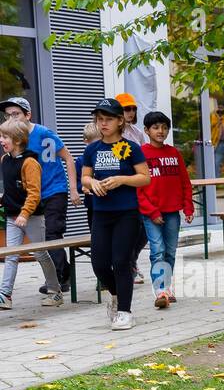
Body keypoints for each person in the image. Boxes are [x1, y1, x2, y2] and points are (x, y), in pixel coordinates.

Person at [81, 97, 150, 331]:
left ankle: (125, 312)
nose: (103, 123)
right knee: (99, 264)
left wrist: (121, 179)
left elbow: (145, 177)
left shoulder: (132, 148)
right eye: (100, 119)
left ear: (120, 121)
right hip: (100, 213)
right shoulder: (92, 149)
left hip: (127, 213)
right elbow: (84, 178)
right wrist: (92, 183)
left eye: (108, 119)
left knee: (121, 261)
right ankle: (116, 295)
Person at [1, 96, 82, 294]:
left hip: (53, 189)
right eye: (8, 115)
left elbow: (68, 158)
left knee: (52, 233)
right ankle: (57, 277)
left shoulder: (44, 133)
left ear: (28, 115)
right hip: (30, 195)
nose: (12, 119)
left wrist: (73, 189)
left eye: (16, 114)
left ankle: (61, 278)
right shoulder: (11, 143)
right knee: (41, 240)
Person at [0, 120, 63, 311]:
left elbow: (34, 194)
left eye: (5, 137)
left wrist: (25, 214)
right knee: (11, 255)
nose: (1, 140)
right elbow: (12, 189)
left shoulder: (30, 163)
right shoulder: (5, 160)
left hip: (32, 217)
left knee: (40, 253)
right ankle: (5, 295)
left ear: (18, 140)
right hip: (13, 217)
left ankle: (55, 291)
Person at [137, 110, 194, 308]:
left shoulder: (174, 153)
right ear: (146, 130)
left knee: (170, 251)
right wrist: (152, 212)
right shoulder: (141, 154)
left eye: (164, 127)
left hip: (172, 212)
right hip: (151, 213)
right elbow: (138, 189)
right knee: (157, 250)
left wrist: (188, 206)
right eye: (155, 127)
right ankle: (160, 289)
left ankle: (167, 287)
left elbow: (185, 182)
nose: (160, 131)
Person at [115, 93, 148, 285]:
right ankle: (125, 266)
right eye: (127, 108)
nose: (131, 111)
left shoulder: (137, 133)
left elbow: (144, 159)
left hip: (137, 183)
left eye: (133, 108)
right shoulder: (110, 133)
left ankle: (131, 260)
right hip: (119, 186)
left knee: (143, 227)